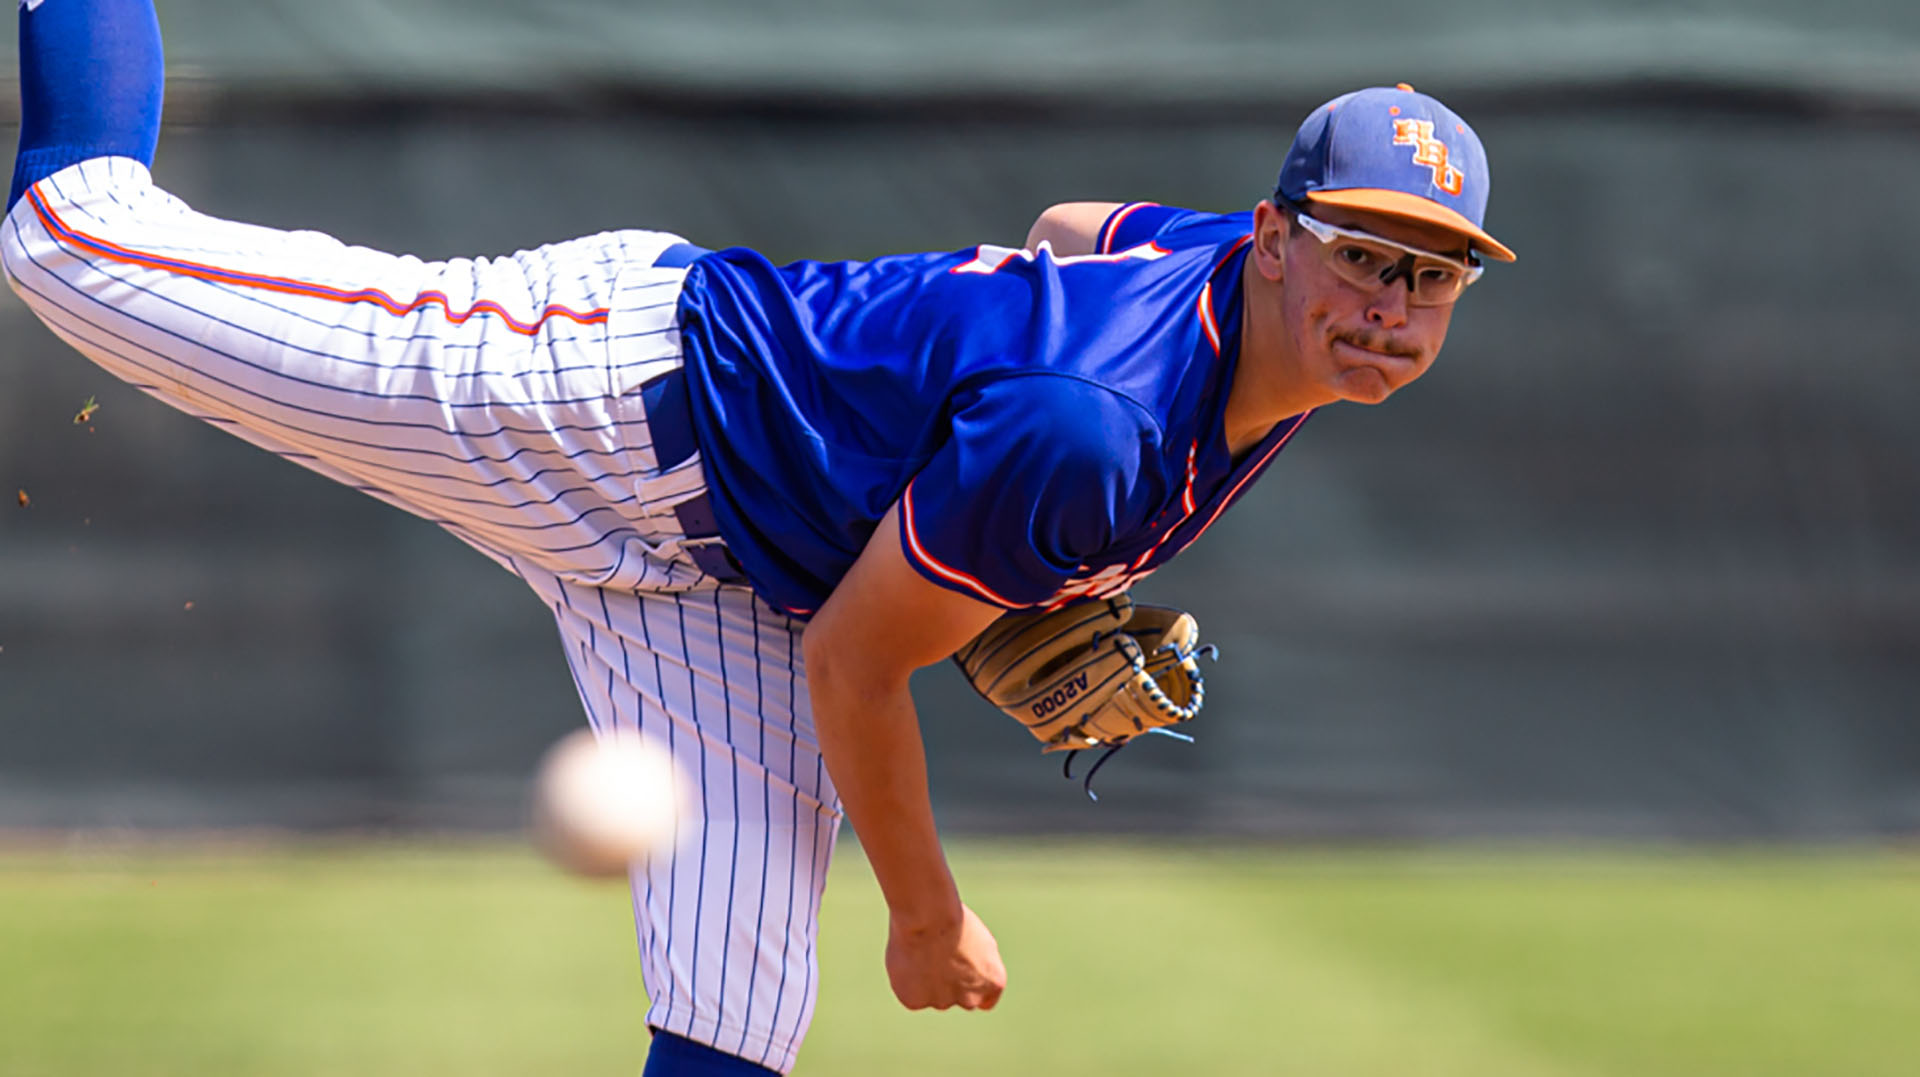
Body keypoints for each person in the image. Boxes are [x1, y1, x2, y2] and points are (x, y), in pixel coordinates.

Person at [4, 1, 1515, 1073]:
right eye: (1362, 254)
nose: (1389, 305)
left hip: (730, 576)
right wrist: (926, 919)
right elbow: (858, 666)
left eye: (1433, 275)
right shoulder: (1090, 430)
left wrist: (958, 462)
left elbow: (1070, 225)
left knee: (735, 1013)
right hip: (590, 397)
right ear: (1276, 236)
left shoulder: (1242, 304)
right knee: (74, 240)